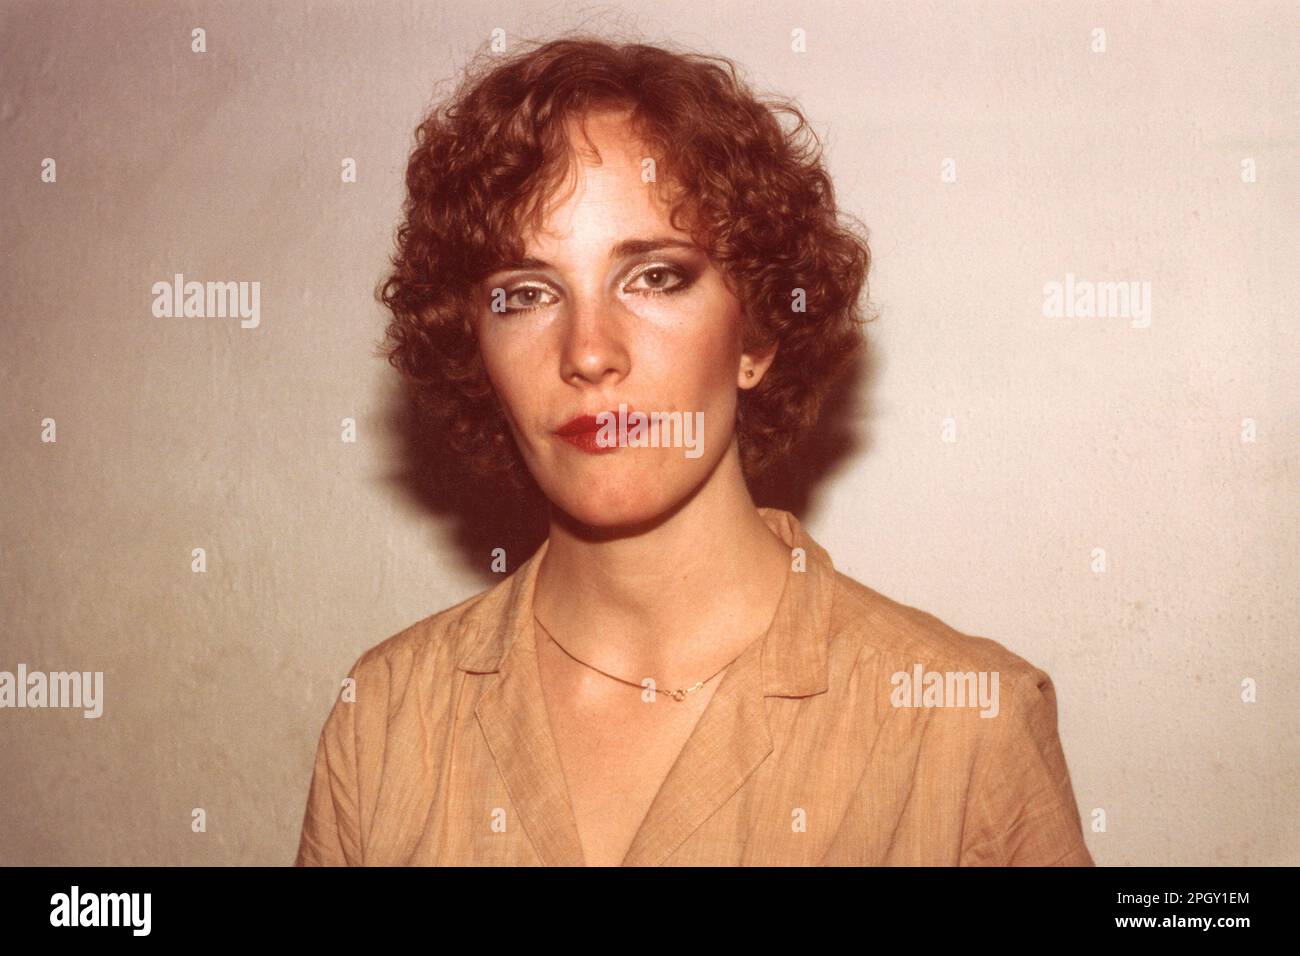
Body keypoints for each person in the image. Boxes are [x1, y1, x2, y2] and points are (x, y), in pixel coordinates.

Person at [294, 35, 1094, 867]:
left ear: (757, 335)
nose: (589, 352)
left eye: (654, 277)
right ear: (476, 354)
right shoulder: (386, 717)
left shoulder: (964, 728)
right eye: (526, 295)